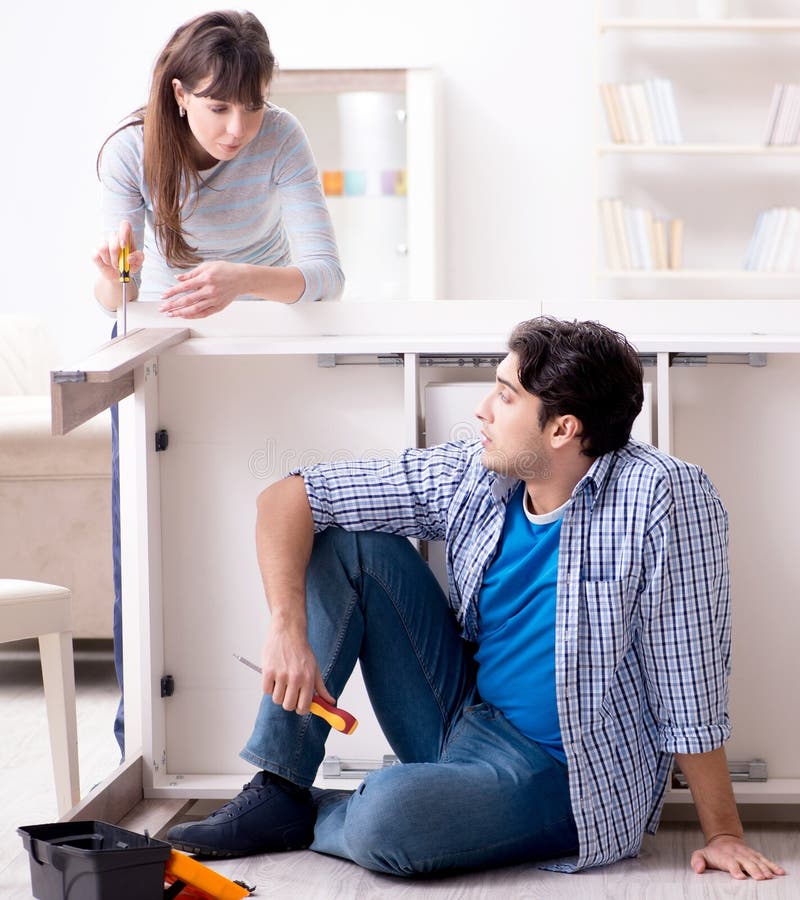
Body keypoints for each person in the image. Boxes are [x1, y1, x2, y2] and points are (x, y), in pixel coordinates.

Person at [166, 316, 785, 881]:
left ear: (563, 429)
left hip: (565, 776)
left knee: (388, 819)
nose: (483, 409)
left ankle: (332, 812)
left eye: (506, 396)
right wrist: (285, 627)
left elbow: (689, 672)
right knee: (349, 546)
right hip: (462, 715)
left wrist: (723, 832)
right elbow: (288, 498)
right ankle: (280, 787)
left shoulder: (662, 497)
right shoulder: (476, 472)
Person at [91, 10, 344, 757]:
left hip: (263, 338)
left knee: (277, 526)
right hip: (166, 351)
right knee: (150, 548)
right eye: (218, 106)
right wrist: (114, 280)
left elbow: (327, 276)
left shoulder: (282, 137)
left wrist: (243, 279)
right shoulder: (130, 152)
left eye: (252, 105)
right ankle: (140, 742)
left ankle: (277, 734)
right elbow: (116, 298)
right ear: (179, 95)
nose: (238, 128)